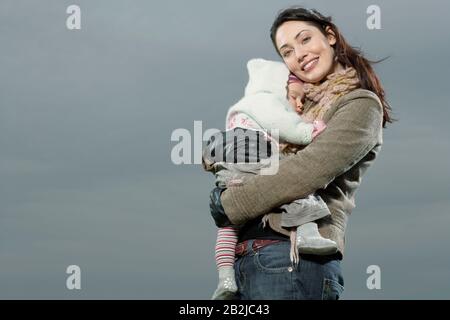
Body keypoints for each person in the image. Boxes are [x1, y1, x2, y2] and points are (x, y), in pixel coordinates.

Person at [208, 7, 393, 300]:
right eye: (287, 51)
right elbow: (247, 140)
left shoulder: (360, 104)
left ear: (330, 36)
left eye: (305, 39)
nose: (300, 54)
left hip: (291, 257)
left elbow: (308, 170)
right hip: (245, 257)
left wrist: (231, 203)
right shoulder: (288, 105)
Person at [203, 58, 336, 299]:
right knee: (298, 188)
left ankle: (225, 278)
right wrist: (311, 131)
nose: (298, 105)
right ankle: (308, 235)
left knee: (228, 226)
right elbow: (287, 126)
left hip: (231, 175)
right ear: (276, 89)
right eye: (294, 97)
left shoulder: (239, 111)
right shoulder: (266, 104)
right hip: (257, 160)